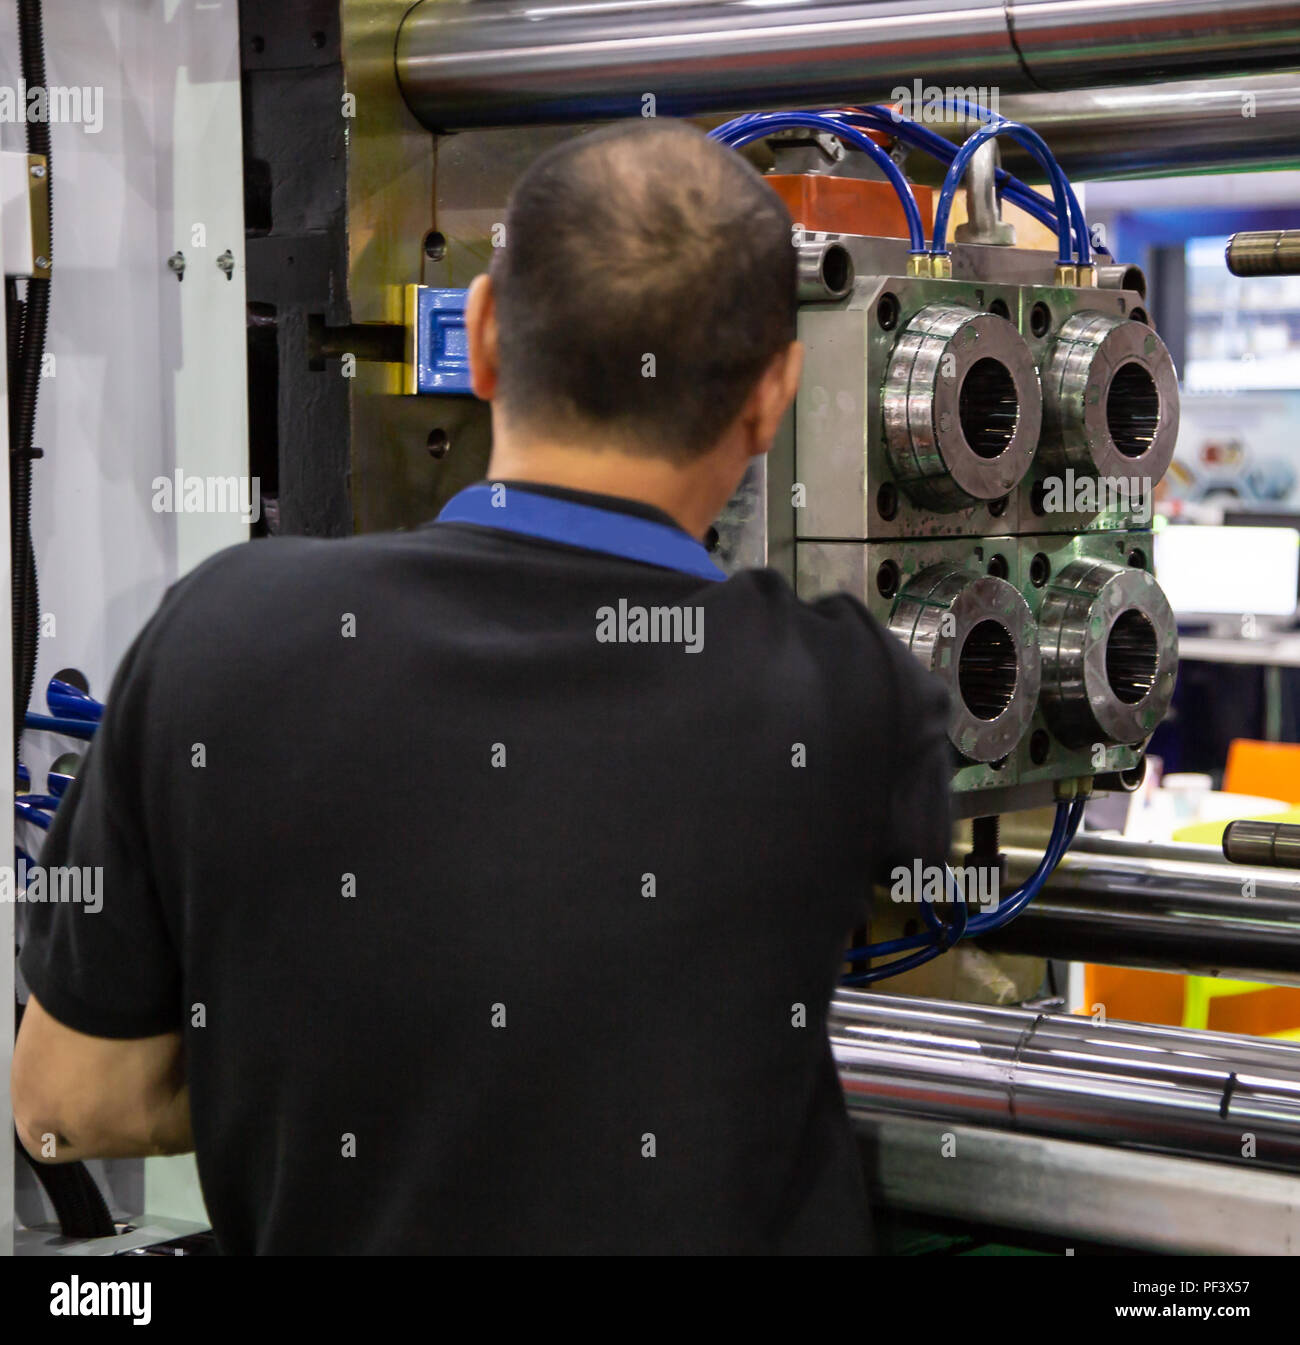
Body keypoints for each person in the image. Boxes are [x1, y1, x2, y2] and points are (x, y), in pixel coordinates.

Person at [13, 118, 950, 1254]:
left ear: (487, 335)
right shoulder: (850, 696)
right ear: (772, 396)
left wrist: (351, 1089)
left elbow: (63, 1104)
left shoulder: (220, 634)